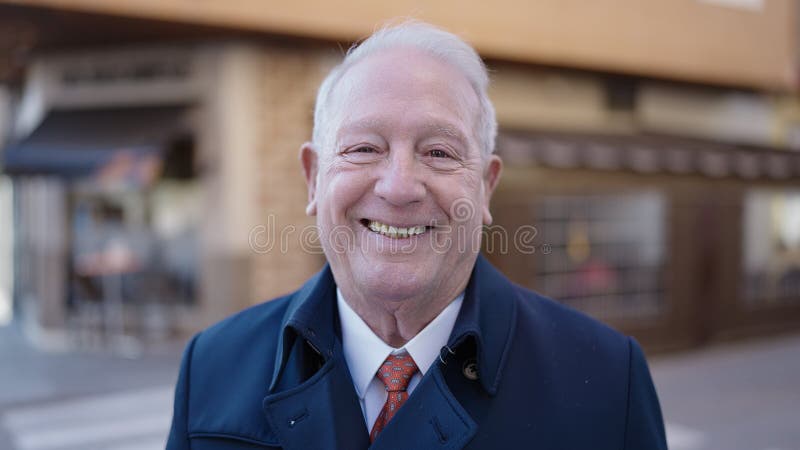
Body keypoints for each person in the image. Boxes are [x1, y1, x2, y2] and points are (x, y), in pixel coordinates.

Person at [167, 21, 667, 450]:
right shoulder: (212, 368)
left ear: (486, 185)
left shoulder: (606, 381)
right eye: (364, 148)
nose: (400, 187)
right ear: (313, 178)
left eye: (440, 153)